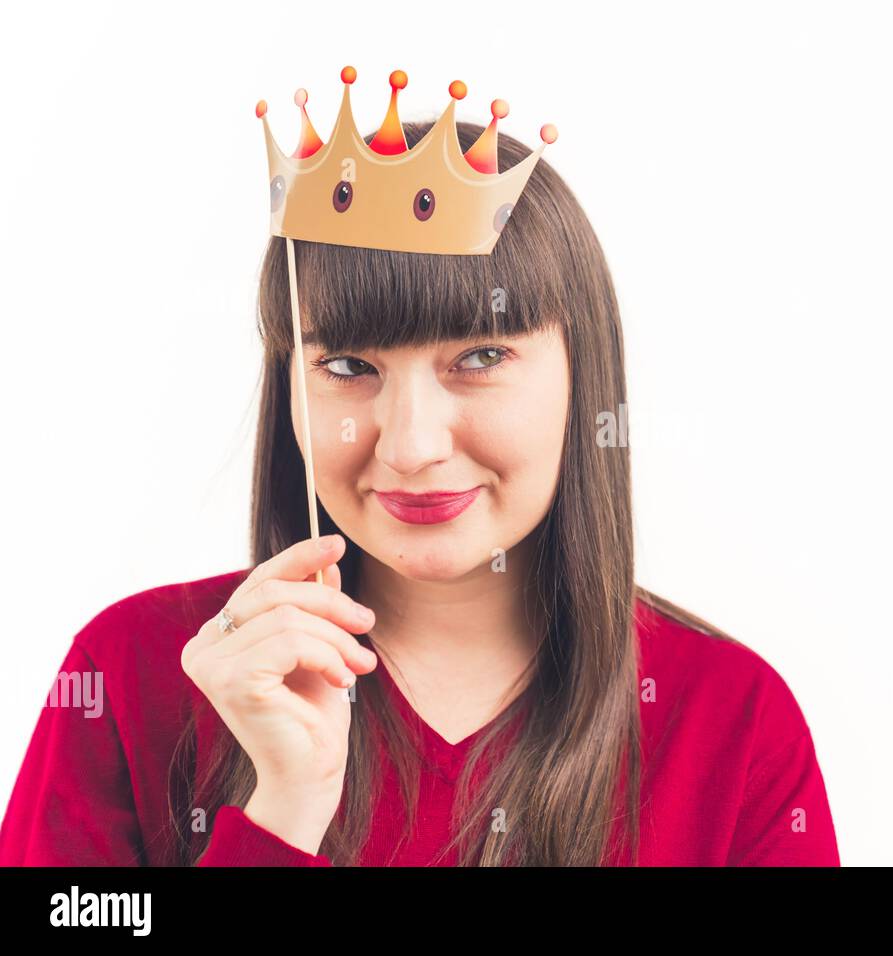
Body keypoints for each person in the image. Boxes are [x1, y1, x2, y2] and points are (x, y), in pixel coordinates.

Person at [0, 118, 839, 867]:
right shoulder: (128, 676)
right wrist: (280, 818)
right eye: (348, 367)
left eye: (478, 358)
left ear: (584, 377)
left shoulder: (733, 722)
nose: (408, 445)